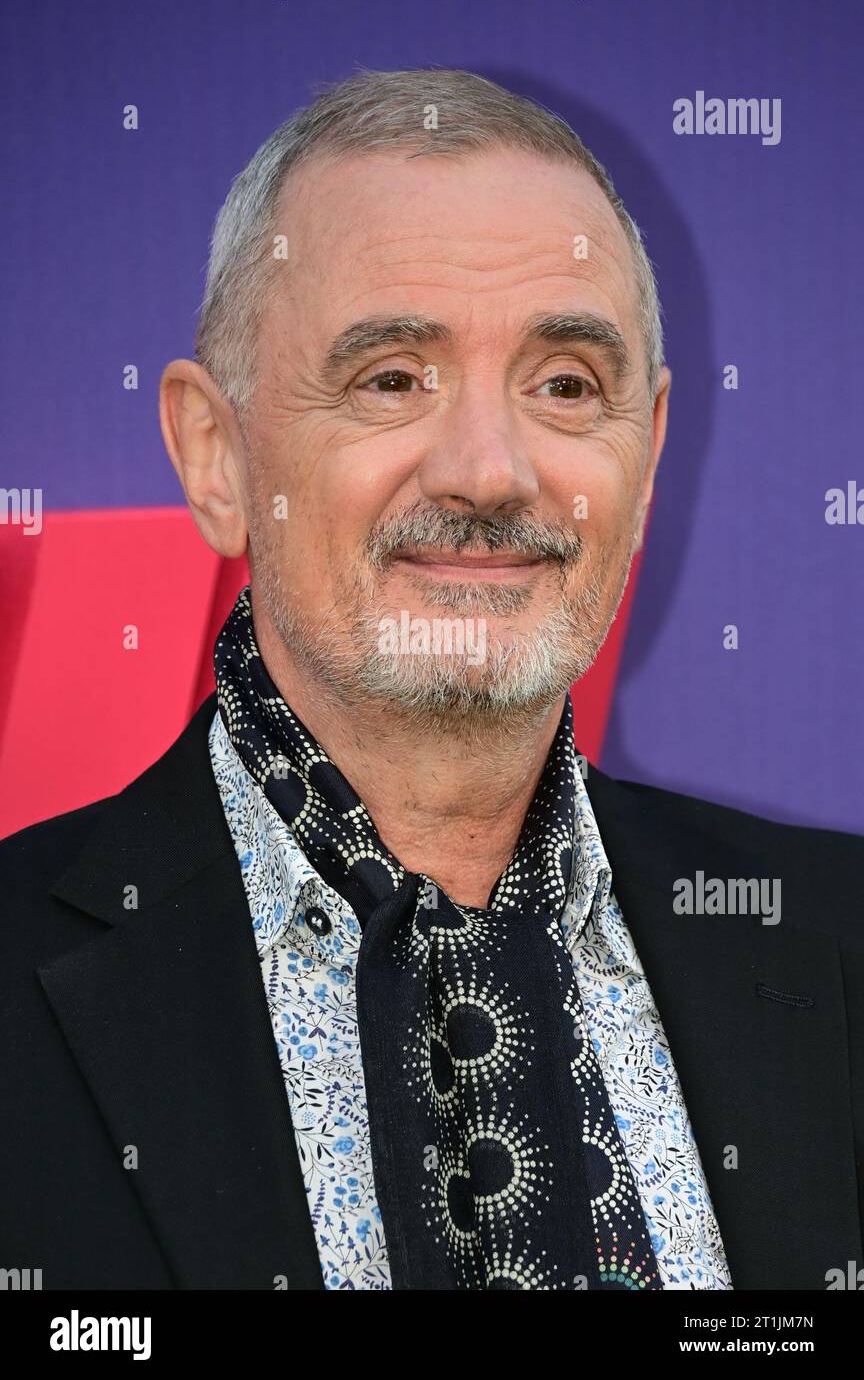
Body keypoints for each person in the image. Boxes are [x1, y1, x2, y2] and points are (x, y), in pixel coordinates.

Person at [1, 68, 862, 1292]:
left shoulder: (837, 935)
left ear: (650, 450)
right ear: (215, 455)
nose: (487, 470)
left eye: (566, 383)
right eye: (392, 377)